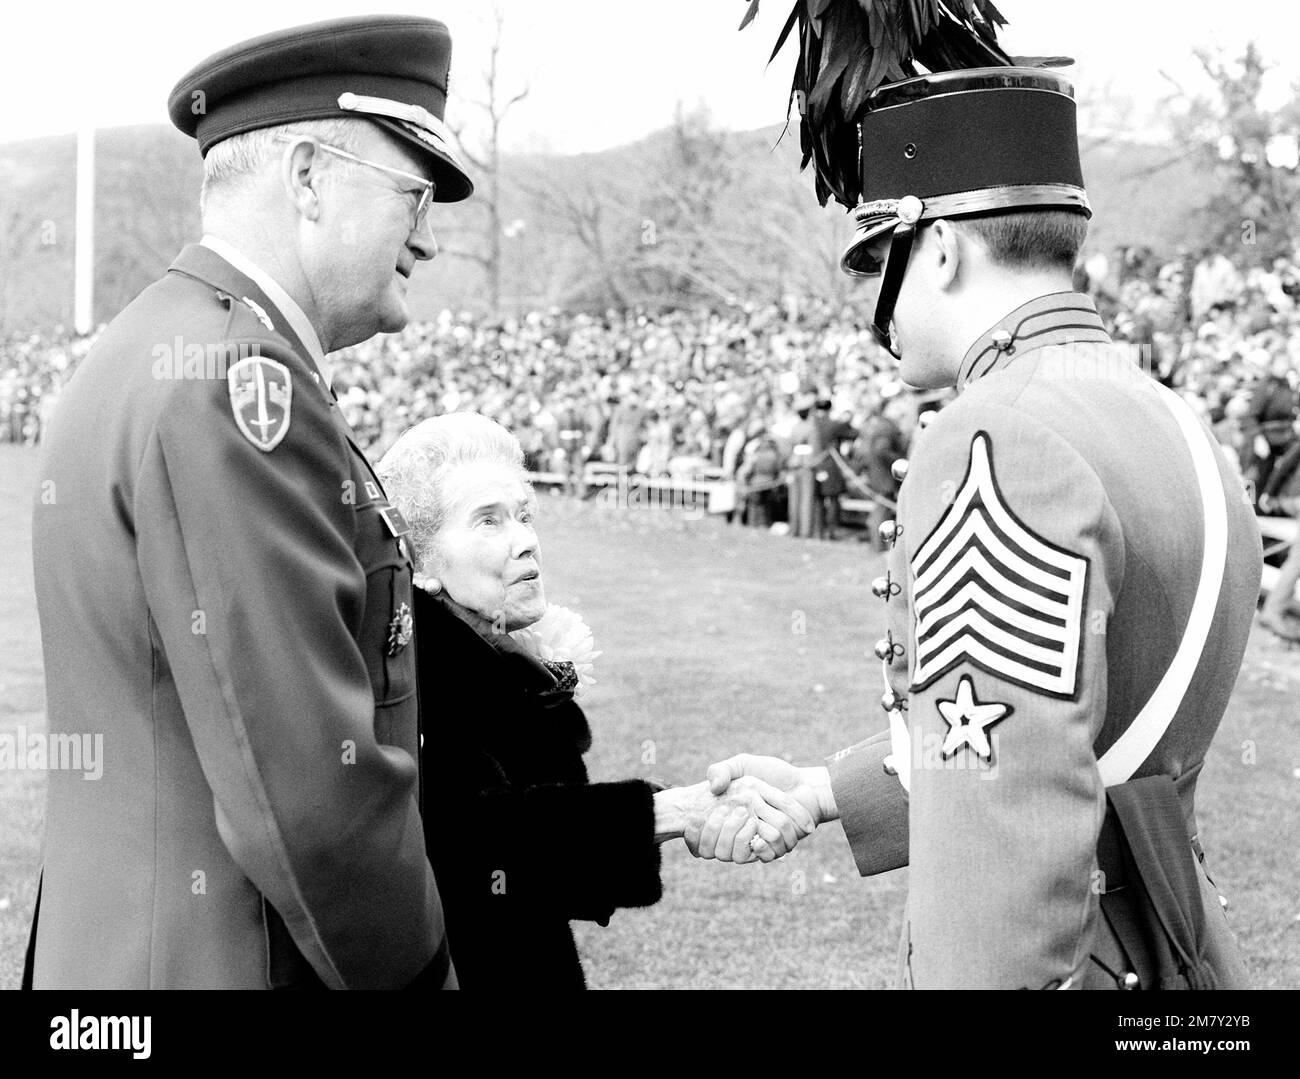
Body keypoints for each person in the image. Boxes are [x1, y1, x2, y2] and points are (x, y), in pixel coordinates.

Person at [707, 5, 1262, 990]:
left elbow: (1005, 827)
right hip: (1176, 961)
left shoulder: (997, 436)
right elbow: (1061, 723)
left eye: (877, 255)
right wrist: (826, 791)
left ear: (945, 250)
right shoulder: (1174, 419)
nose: (871, 294)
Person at [24, 16, 475, 989]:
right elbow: (315, 797)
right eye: (415, 192)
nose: (428, 237)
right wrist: (419, 969)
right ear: (308, 176)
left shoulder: (159, 339)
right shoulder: (235, 374)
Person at [377, 413, 812, 986]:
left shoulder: (490, 656)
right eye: (488, 521)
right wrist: (676, 811)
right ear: (422, 561)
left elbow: (534, 860)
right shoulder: (419, 672)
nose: (526, 539)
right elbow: (475, 842)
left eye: (523, 515)